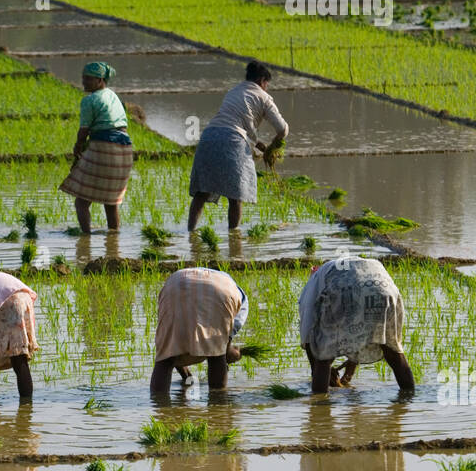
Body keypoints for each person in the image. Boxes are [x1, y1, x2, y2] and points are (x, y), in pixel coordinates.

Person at [188, 59, 288, 233]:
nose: (267, 88)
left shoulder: (233, 91)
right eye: (267, 84)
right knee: (236, 196)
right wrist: (273, 147)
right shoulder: (264, 98)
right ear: (262, 81)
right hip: (233, 141)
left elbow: (235, 120)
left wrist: (257, 143)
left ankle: (190, 233)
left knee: (201, 193)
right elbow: (283, 129)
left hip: (209, 137)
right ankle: (234, 239)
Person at [298, 257, 414, 395]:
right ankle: (409, 399)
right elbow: (357, 333)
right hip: (384, 289)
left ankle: (319, 408)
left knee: (323, 358)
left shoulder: (313, 284)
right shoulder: (348, 268)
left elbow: (309, 337)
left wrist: (319, 368)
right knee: (393, 352)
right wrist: (347, 377)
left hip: (342, 291)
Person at [59, 61, 133, 234]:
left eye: (88, 79)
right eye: (83, 78)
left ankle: (86, 238)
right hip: (125, 149)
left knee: (81, 202)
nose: (84, 82)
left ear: (100, 80)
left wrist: (78, 148)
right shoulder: (112, 95)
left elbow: (84, 130)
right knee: (111, 201)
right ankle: (113, 241)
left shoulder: (89, 100)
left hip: (105, 147)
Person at [150, 266, 249, 394]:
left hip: (176, 283)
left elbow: (173, 347)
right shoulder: (241, 298)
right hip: (221, 290)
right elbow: (225, 346)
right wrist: (229, 353)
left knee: (165, 358)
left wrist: (187, 378)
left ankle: (159, 406)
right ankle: (218, 404)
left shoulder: (216, 279)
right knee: (216, 355)